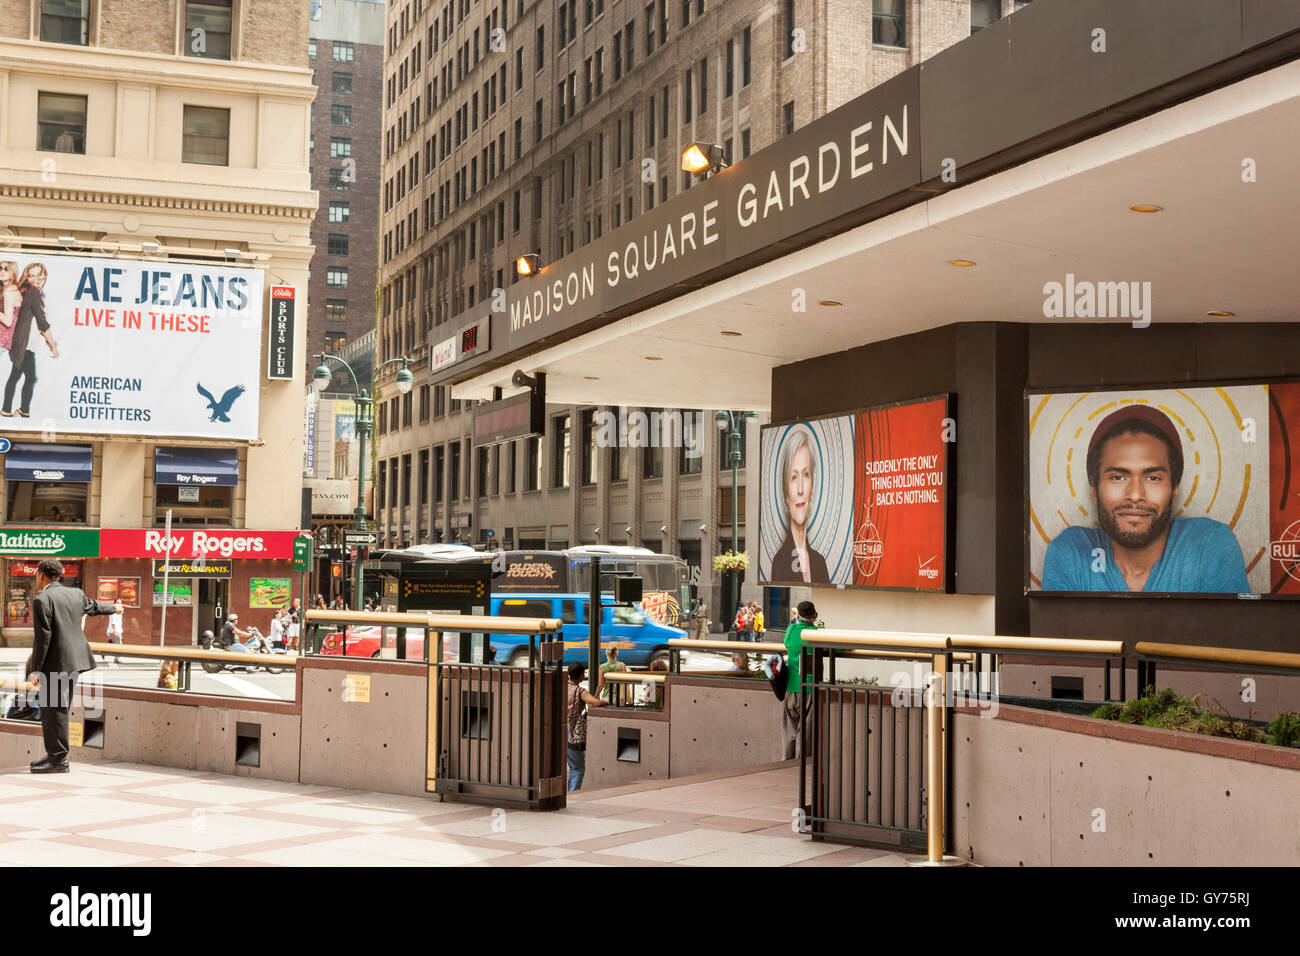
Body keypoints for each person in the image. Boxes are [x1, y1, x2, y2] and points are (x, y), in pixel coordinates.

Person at [1041, 406, 1249, 593]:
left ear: (1174, 490)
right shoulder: (1071, 552)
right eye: (1118, 477)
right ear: (1094, 490)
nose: (1135, 494)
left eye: (1153, 478)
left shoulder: (1210, 545)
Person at [27, 558, 120, 773]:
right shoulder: (75, 594)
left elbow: (43, 638)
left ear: (41, 575)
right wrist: (114, 608)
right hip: (76, 661)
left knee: (54, 711)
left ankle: (59, 760)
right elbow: (94, 606)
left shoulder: (43, 600)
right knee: (56, 710)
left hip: (56, 663)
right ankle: (54, 755)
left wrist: (36, 669)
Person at [770, 428, 831, 583]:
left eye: (806, 475)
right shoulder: (779, 562)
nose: (801, 489)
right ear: (785, 492)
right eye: (793, 477)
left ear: (813, 486)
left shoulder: (820, 563)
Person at [1, 263, 57, 419]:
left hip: (24, 341)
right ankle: (23, 411)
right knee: (31, 378)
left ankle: (6, 410)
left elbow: (35, 323)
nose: (36, 279)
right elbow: (42, 322)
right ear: (28, 278)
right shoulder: (33, 292)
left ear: (44, 275)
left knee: (15, 375)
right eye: (32, 276)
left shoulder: (32, 292)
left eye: (39, 275)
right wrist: (53, 345)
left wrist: (47, 340)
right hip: (24, 343)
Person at [781, 600, 821, 760]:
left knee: (789, 729)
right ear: (815, 615)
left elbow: (786, 644)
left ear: (798, 616)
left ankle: (786, 763)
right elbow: (836, 647)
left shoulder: (790, 630)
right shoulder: (816, 633)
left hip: (790, 687)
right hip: (809, 688)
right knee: (807, 730)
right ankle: (801, 765)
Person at [565, 662, 607, 790]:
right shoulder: (580, 691)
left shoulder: (563, 687)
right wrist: (608, 701)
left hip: (562, 728)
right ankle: (572, 793)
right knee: (577, 767)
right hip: (573, 731)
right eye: (584, 673)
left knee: (570, 764)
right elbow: (595, 702)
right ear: (580, 675)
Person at [0, 260, 21, 352]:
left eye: (6, 269)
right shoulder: (7, 289)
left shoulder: (9, 292)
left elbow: (8, 321)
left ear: (13, 272)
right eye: (0, 268)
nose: (2, 271)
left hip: (3, 337)